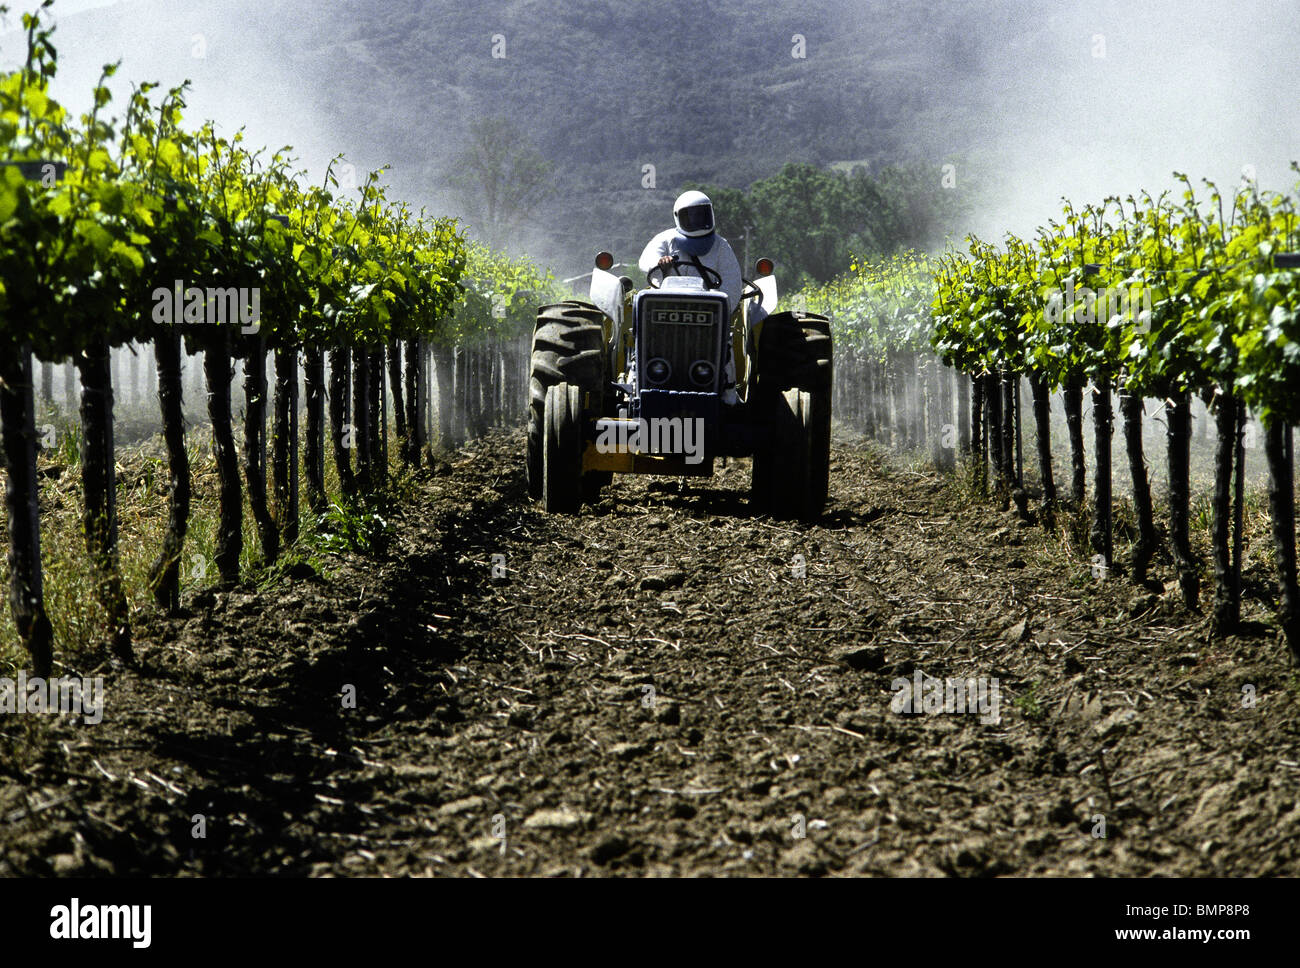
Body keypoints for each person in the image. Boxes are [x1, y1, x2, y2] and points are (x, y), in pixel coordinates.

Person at [637, 190, 745, 404]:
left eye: (701, 215)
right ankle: (642, 380)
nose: (696, 221)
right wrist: (660, 264)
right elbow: (646, 261)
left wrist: (722, 308)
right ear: (678, 217)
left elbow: (733, 284)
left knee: (725, 345)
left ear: (710, 215)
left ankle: (728, 395)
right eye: (690, 216)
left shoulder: (721, 246)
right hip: (665, 310)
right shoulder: (665, 239)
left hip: (709, 317)